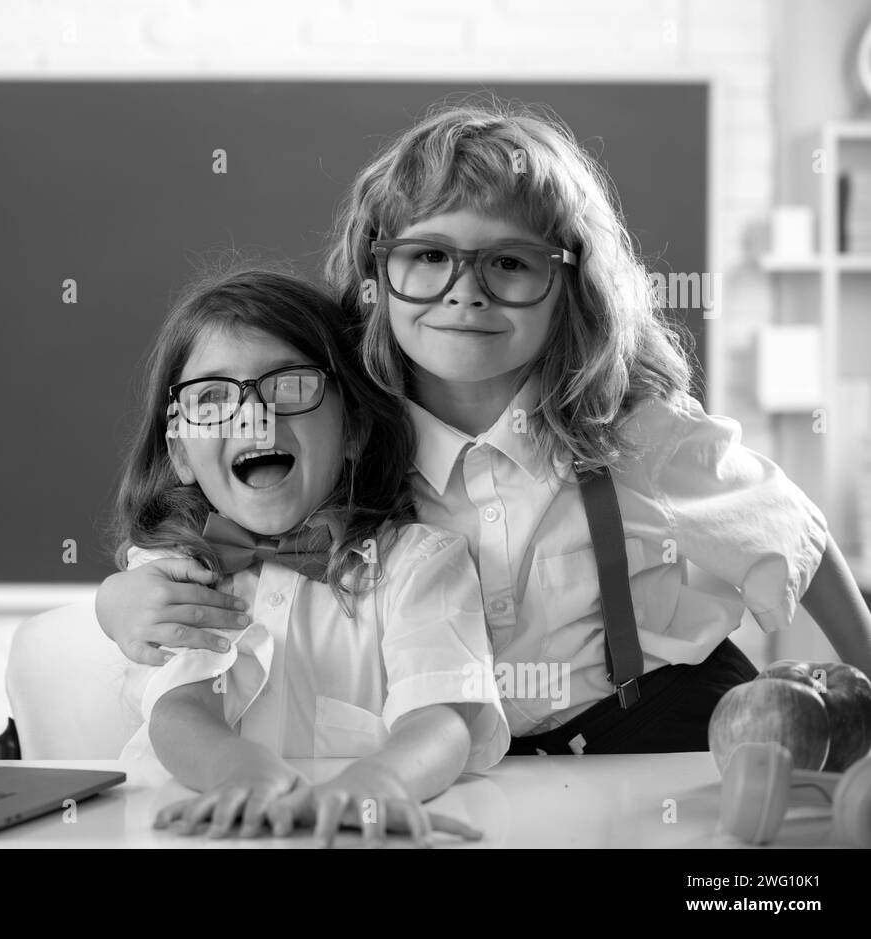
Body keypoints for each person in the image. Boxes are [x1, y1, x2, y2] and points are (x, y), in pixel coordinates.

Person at [98, 100, 871, 756]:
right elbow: (227, 529)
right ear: (376, 278)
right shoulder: (352, 431)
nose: (464, 294)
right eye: (429, 255)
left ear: (568, 281)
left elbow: (791, 530)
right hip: (478, 753)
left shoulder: (633, 433)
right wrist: (118, 601)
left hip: (661, 728)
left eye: (507, 263)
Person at [111, 267, 508, 846]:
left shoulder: (419, 564)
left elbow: (441, 718)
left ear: (352, 430)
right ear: (182, 456)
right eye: (214, 396)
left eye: (290, 385)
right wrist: (239, 771)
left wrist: (380, 782)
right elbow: (179, 709)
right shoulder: (174, 572)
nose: (253, 415)